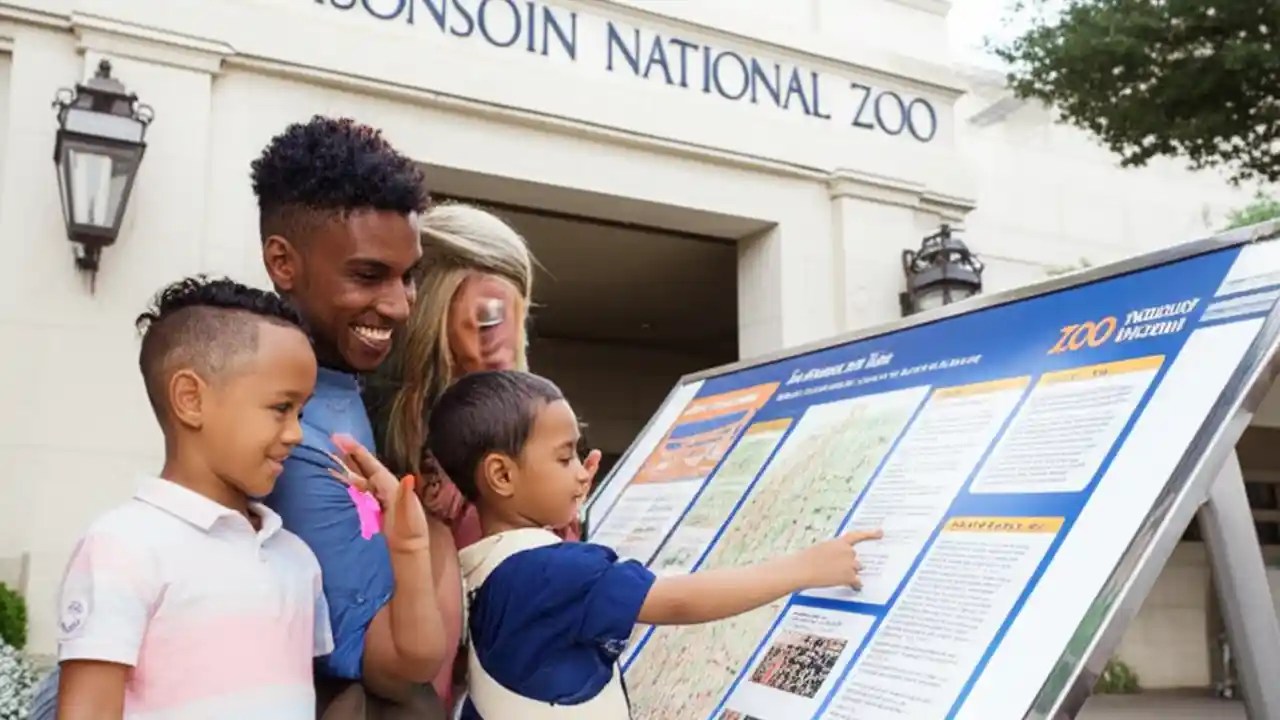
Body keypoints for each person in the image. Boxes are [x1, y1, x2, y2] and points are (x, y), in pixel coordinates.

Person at [424, 370, 882, 718]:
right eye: (565, 457)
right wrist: (804, 568)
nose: (582, 470)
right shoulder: (556, 573)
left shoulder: (478, 570)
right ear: (502, 475)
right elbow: (679, 600)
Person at [252, 115, 456, 718]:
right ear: (283, 263)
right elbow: (392, 667)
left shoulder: (344, 383)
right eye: (368, 275)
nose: (398, 305)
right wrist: (436, 542)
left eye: (408, 276)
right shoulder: (292, 440)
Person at [52, 276, 330, 719]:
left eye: (302, 411)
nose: (296, 432)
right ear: (190, 399)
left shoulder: (297, 560)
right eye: (281, 408)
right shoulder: (122, 548)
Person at [366, 202, 600, 553]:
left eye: (516, 320)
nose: (504, 348)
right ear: (430, 315)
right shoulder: (367, 434)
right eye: (489, 319)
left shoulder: (526, 431)